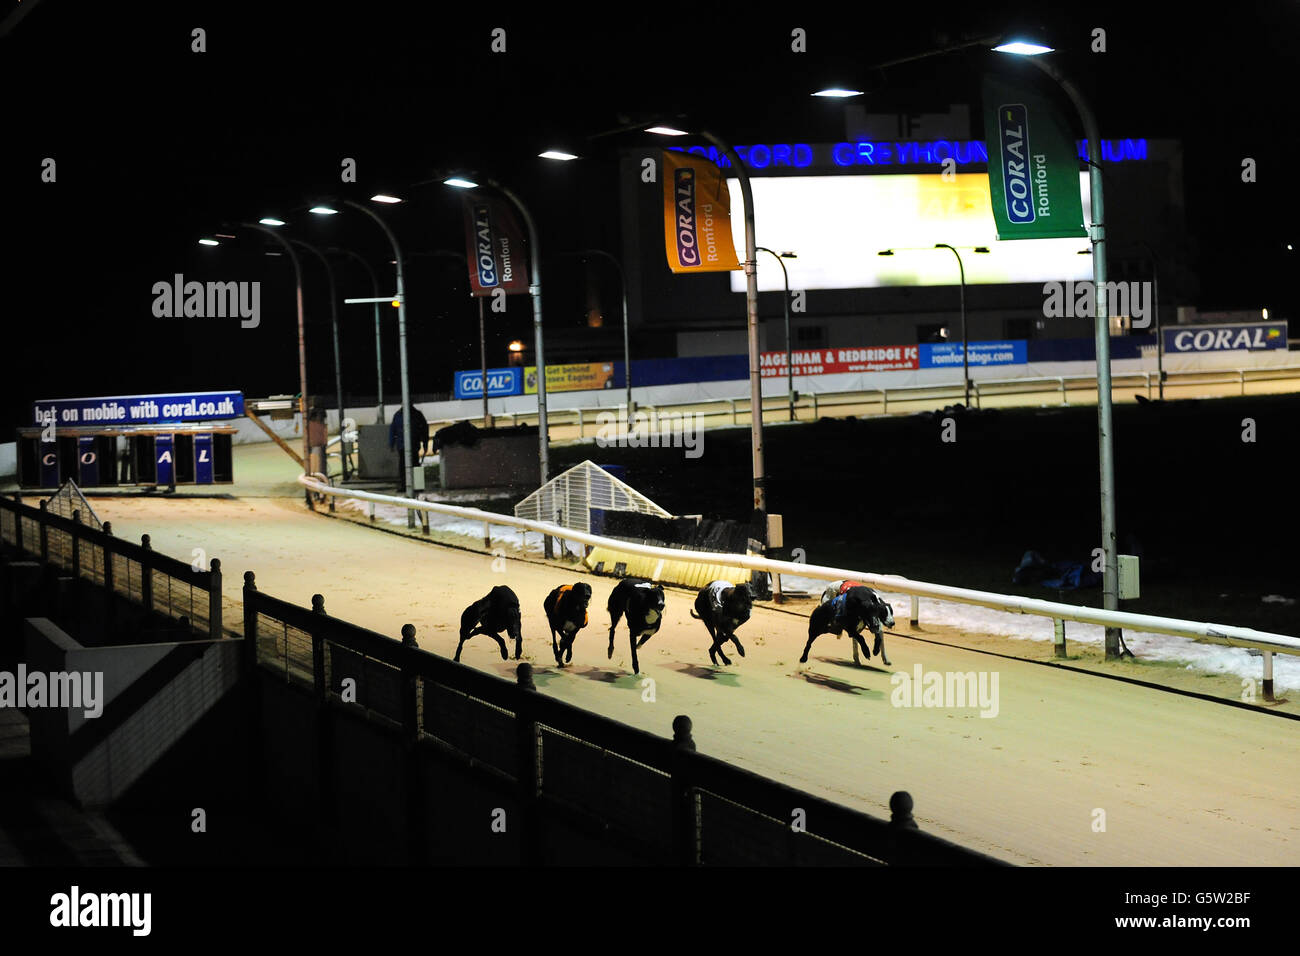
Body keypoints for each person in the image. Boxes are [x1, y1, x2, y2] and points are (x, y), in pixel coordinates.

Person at [388, 405, 428, 472]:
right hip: (413, 445)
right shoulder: (417, 414)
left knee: (403, 465)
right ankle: (413, 480)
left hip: (404, 446)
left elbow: (392, 430)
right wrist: (425, 443)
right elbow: (424, 429)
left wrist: (391, 444)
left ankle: (404, 481)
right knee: (414, 465)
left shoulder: (398, 415)